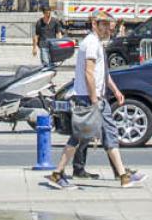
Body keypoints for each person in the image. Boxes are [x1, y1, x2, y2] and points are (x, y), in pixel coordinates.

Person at [44, 11, 144, 190]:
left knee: (96, 136)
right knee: (88, 136)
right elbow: (89, 73)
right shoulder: (91, 44)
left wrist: (115, 90)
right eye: (103, 24)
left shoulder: (96, 43)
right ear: (94, 24)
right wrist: (94, 100)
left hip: (94, 96)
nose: (107, 28)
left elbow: (102, 74)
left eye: (108, 24)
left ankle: (122, 175)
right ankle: (121, 176)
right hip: (91, 98)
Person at [34, 4, 62, 69]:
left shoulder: (55, 21)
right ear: (43, 13)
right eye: (46, 13)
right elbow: (36, 36)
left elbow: (58, 34)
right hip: (43, 46)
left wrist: (60, 45)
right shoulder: (39, 22)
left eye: (49, 12)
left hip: (52, 46)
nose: (48, 14)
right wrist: (34, 48)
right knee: (46, 64)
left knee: (53, 64)